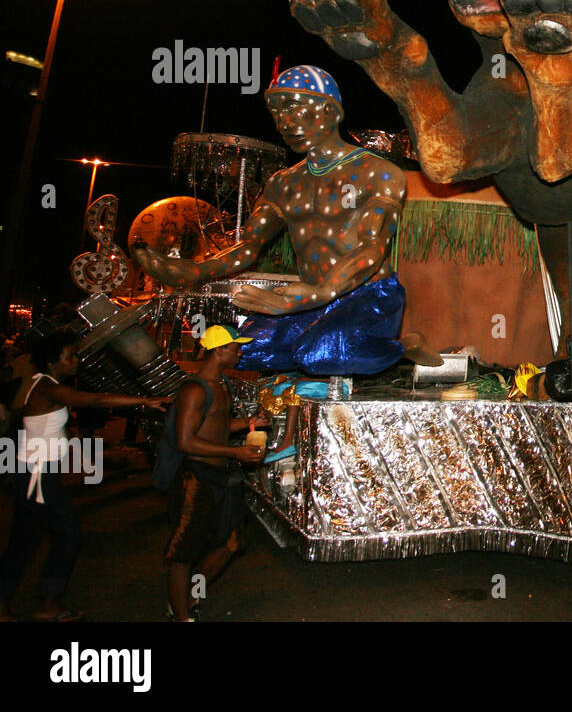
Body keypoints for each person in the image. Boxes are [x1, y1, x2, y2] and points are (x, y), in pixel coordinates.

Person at [133, 64, 435, 376]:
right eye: (276, 111)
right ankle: (316, 345)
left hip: (368, 294)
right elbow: (248, 247)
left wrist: (319, 294)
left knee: (319, 354)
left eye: (294, 108)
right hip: (309, 296)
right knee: (244, 352)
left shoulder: (378, 172)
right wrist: (195, 271)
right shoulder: (284, 183)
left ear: (330, 111)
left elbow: (372, 248)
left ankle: (403, 347)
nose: (284, 123)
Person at [0, 332, 157, 622]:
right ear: (52, 361)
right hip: (37, 475)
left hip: (33, 472)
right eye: (70, 356)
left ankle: (20, 604)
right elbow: (96, 399)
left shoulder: (47, 385)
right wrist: (145, 401)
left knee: (25, 539)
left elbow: (56, 429)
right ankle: (49, 604)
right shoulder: (47, 387)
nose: (76, 360)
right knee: (67, 533)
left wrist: (82, 457)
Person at [165, 325, 268, 621]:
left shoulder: (222, 384)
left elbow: (218, 425)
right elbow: (186, 441)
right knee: (183, 552)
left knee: (232, 542)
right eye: (236, 347)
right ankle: (182, 614)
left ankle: (187, 596)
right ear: (220, 350)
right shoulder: (194, 389)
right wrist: (235, 452)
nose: (240, 352)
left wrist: (249, 422)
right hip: (195, 477)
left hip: (221, 475)